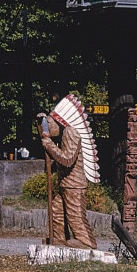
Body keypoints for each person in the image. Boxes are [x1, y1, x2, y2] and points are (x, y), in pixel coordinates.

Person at [38, 94, 100, 250]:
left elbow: (67, 159)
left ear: (60, 122)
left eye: (49, 124)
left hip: (74, 184)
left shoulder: (70, 132)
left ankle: (86, 242)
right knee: (56, 209)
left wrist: (49, 146)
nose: (48, 128)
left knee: (75, 215)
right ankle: (59, 238)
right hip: (66, 182)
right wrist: (41, 124)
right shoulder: (63, 134)